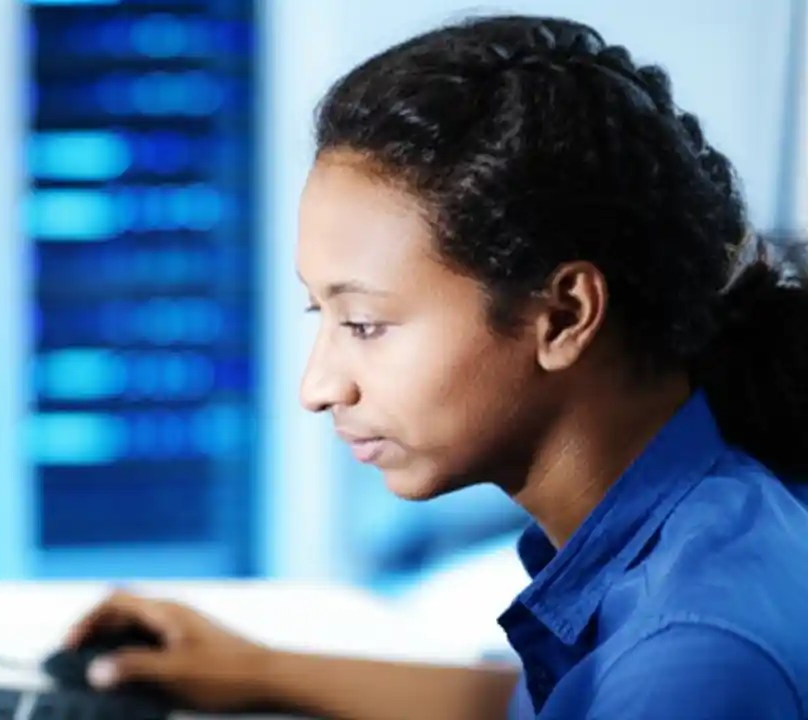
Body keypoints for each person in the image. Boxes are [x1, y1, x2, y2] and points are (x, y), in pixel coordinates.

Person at [60, 14, 808, 720]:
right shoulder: (695, 540)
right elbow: (540, 700)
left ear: (565, 315)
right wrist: (258, 668)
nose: (319, 388)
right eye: (322, 317)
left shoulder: (693, 663)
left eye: (364, 324)